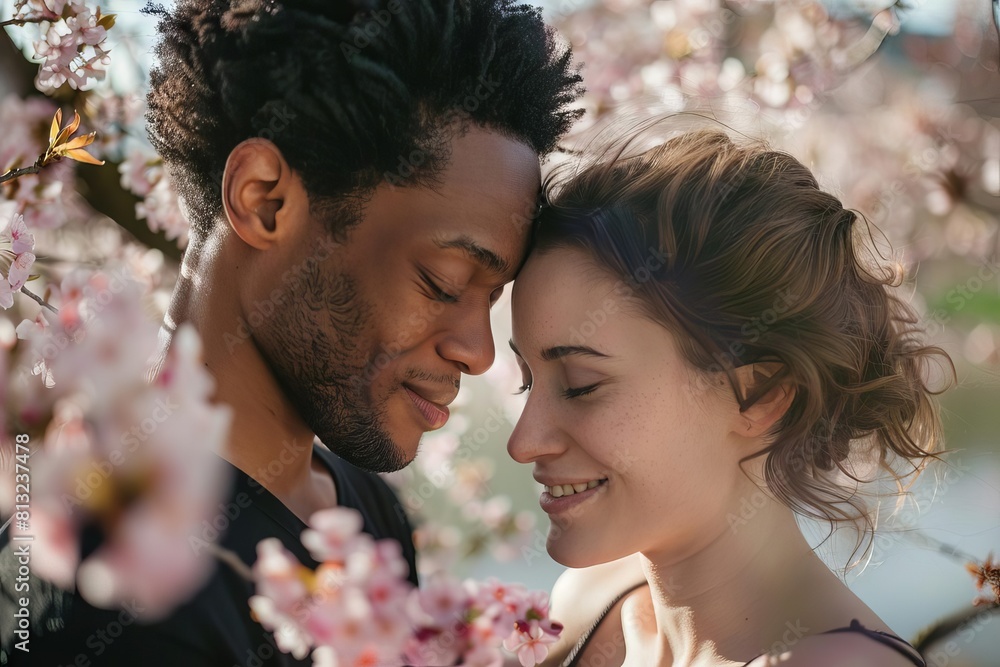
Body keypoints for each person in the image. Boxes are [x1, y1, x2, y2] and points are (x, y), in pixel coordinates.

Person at [0, 0, 583, 664]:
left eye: (493, 298)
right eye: (444, 283)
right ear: (264, 200)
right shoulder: (89, 578)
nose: (479, 352)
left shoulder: (362, 514)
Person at [506, 127, 952, 667]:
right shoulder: (590, 605)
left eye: (581, 385)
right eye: (528, 379)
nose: (523, 441)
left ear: (759, 395)